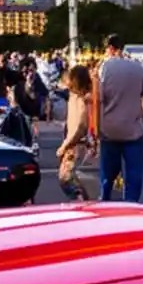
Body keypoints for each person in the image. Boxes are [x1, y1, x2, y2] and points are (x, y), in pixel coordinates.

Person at [93, 34, 143, 202]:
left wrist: (94, 129)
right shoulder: (136, 66)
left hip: (109, 129)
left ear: (110, 48)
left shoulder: (103, 68)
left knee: (107, 174)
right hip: (133, 129)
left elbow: (97, 97)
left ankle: (105, 200)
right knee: (134, 174)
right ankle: (131, 205)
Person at [56, 65, 93, 200]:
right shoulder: (79, 97)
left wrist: (64, 146)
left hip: (75, 145)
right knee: (74, 179)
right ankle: (83, 201)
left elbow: (79, 126)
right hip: (80, 144)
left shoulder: (79, 100)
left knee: (66, 179)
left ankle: (81, 202)